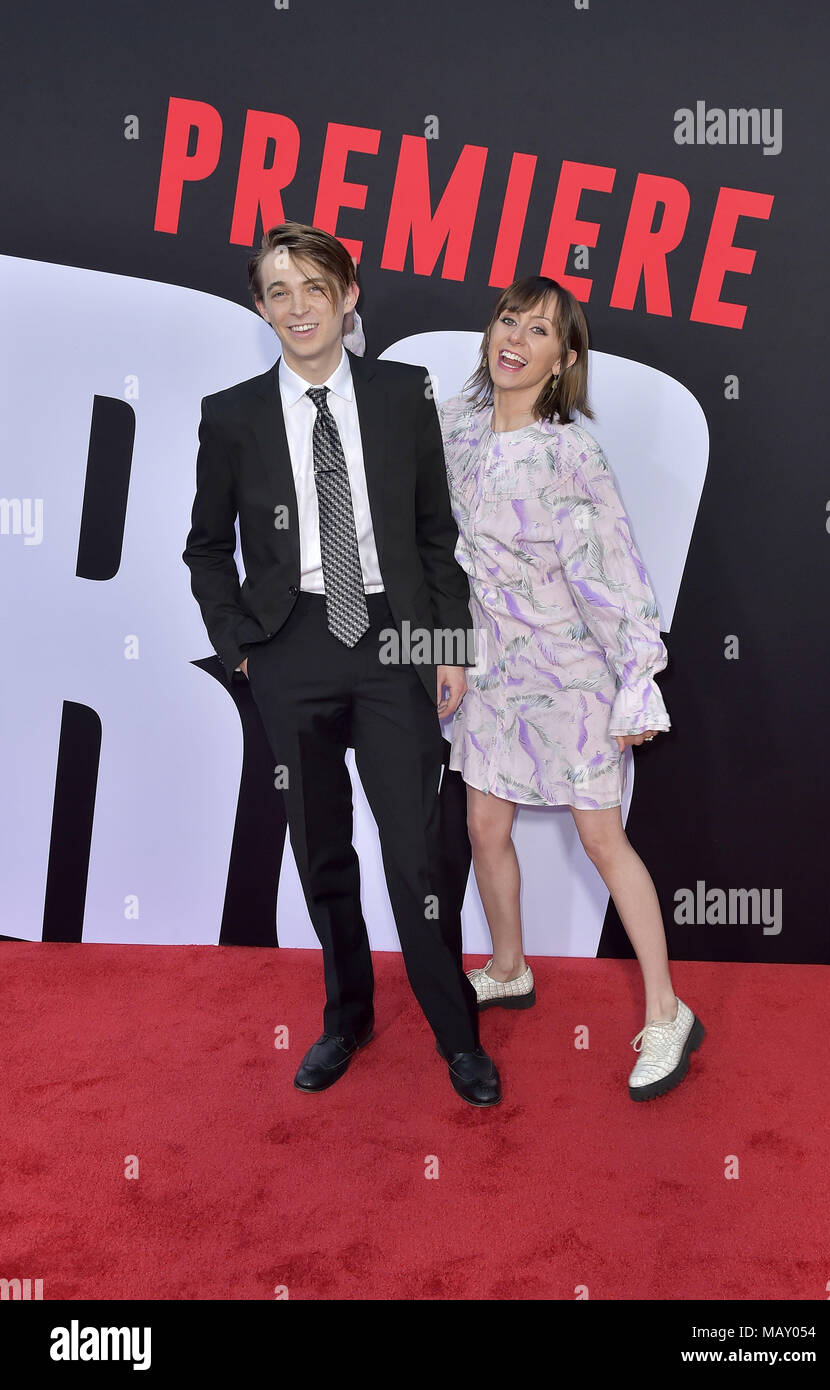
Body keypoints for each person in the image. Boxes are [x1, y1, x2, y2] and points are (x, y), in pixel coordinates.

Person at [182, 222, 500, 1107]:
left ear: (348, 296)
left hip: (395, 642)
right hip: (291, 647)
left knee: (414, 854)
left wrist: (448, 647)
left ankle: (454, 1032)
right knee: (320, 848)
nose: (297, 308)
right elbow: (205, 549)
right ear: (260, 307)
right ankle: (346, 1014)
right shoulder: (232, 415)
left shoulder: (404, 395)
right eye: (278, 293)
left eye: (313, 289)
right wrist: (244, 648)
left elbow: (438, 536)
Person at [437, 275, 704, 1100]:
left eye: (541, 331)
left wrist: (635, 681)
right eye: (509, 319)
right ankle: (510, 966)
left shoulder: (571, 451)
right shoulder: (456, 431)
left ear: (564, 360)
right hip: (490, 670)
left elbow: (617, 570)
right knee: (485, 825)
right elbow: (438, 557)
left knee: (600, 840)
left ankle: (667, 1013)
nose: (516, 337)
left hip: (572, 674)